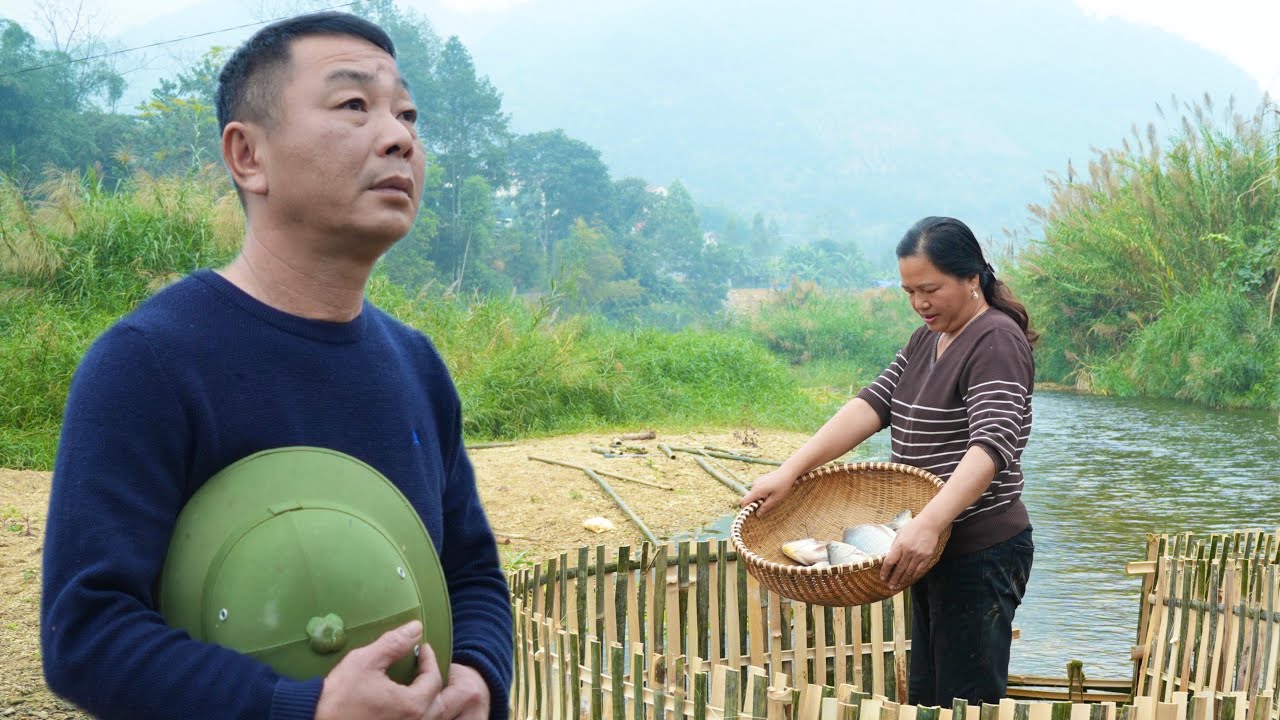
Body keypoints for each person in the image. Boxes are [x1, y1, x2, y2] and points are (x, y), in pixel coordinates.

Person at [40, 12, 511, 720]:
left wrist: (478, 670)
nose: (399, 137)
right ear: (248, 156)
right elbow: (87, 632)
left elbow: (470, 571)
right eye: (354, 105)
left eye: (407, 114)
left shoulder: (415, 366)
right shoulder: (150, 364)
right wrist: (300, 708)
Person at [741, 216, 1036, 706]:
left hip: (977, 551)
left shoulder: (995, 340)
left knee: (965, 703)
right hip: (925, 544)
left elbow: (992, 446)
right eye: (909, 292)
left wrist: (930, 521)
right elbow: (874, 403)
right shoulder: (929, 337)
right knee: (928, 697)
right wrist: (789, 471)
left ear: (972, 278)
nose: (919, 303)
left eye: (930, 289)